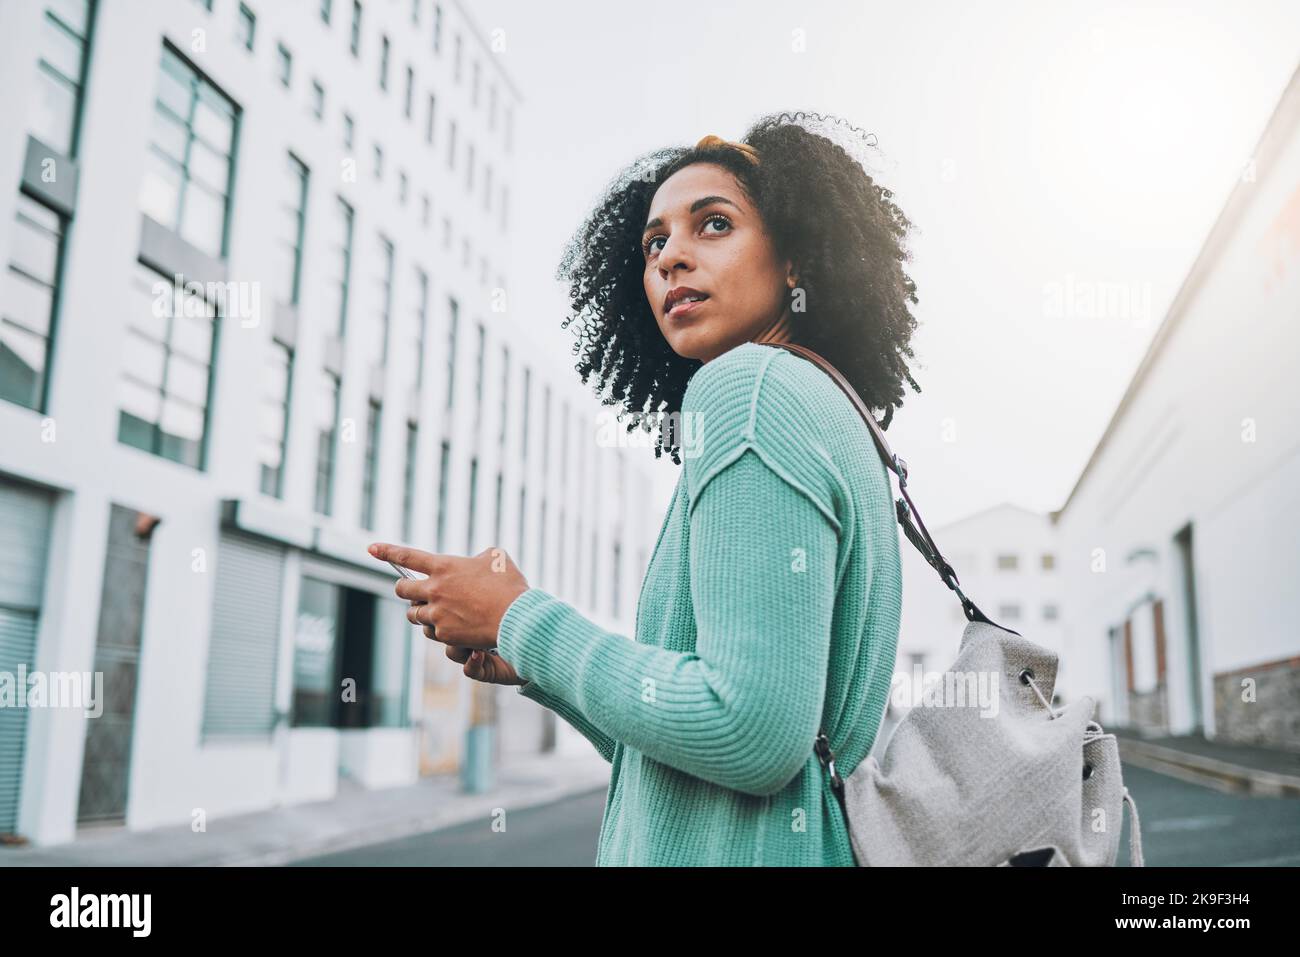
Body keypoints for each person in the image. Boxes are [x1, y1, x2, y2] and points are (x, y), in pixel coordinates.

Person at [369, 110, 922, 865]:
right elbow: (706, 752)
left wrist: (522, 618)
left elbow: (751, 732)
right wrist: (532, 660)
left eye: (713, 225)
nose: (671, 259)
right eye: (654, 243)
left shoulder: (748, 390)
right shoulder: (826, 409)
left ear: (795, 260)